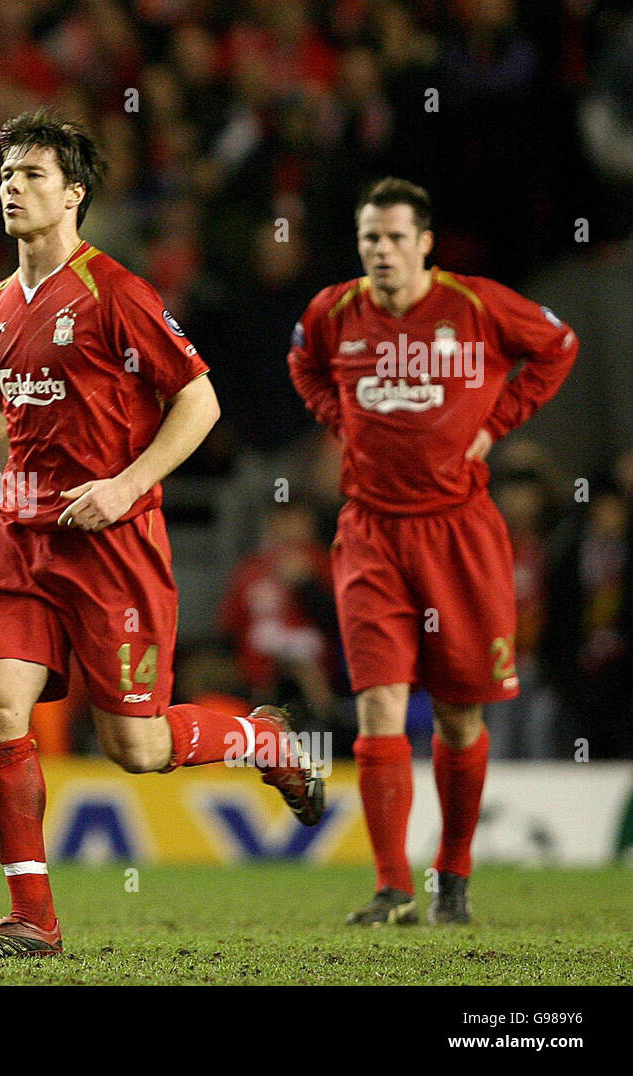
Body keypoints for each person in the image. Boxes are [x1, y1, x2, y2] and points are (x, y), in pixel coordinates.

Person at [0, 111, 323, 958]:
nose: (13, 186)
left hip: (112, 546)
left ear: (75, 192)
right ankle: (31, 919)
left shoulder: (115, 291)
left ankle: (262, 737)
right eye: (7, 173)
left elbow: (199, 400)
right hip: (22, 541)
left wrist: (125, 485)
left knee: (138, 747)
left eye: (34, 174)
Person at [287, 177, 578, 925]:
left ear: (424, 244)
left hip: (459, 532)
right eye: (369, 239)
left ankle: (453, 873)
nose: (381, 251)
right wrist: (335, 416)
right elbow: (305, 365)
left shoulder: (477, 304)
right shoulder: (333, 312)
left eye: (393, 238)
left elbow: (558, 345)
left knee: (458, 717)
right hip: (371, 534)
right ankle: (392, 887)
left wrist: (499, 420)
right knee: (380, 703)